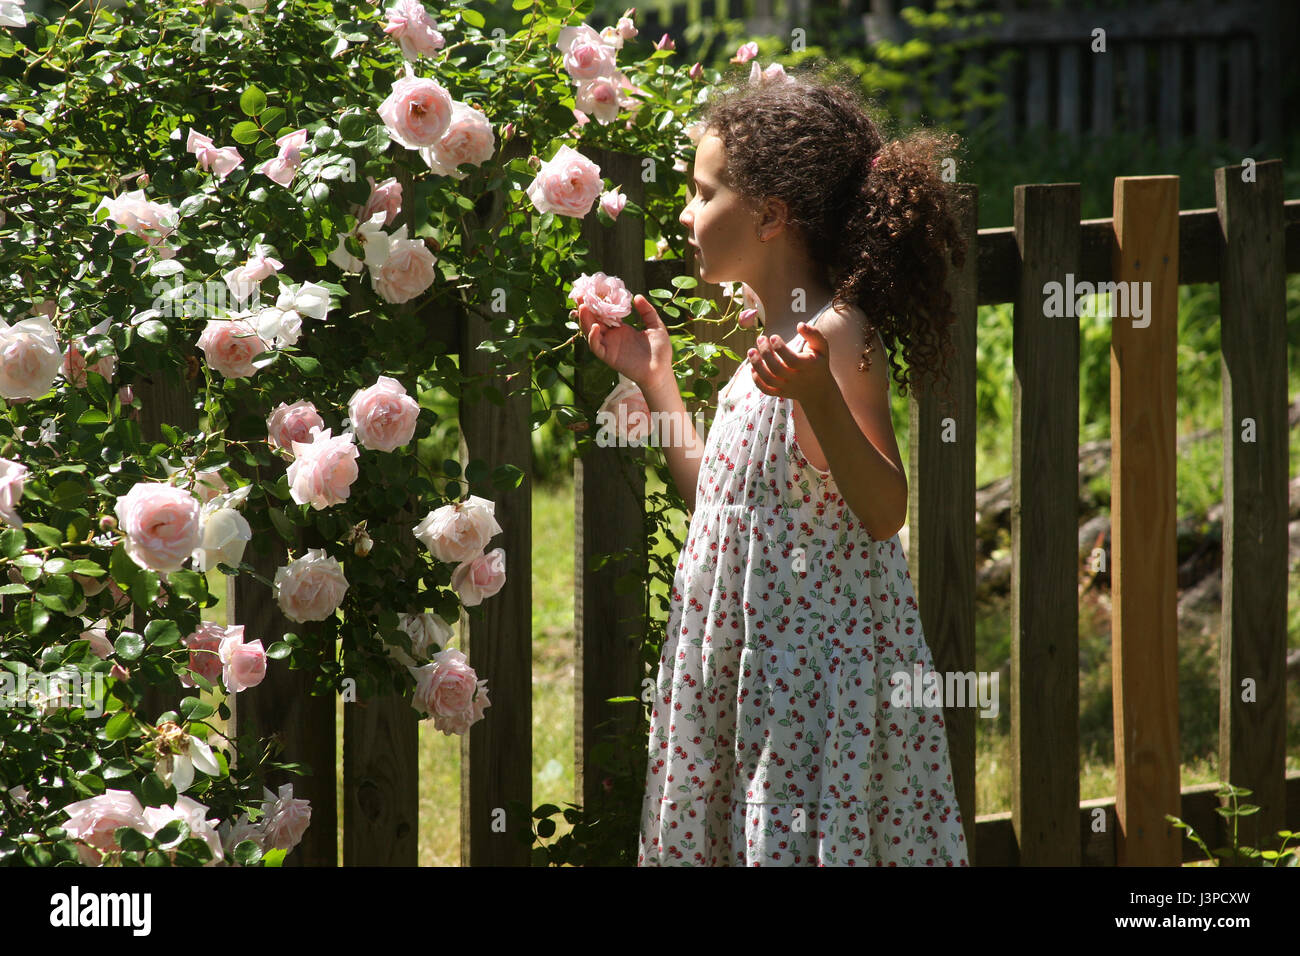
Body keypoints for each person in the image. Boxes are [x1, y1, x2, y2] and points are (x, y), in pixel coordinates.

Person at [573, 69, 969, 866]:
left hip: (809, 685)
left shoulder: (837, 339)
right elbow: (721, 505)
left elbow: (886, 508)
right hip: (742, 669)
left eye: (701, 193)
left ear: (769, 216)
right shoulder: (771, 350)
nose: (686, 214)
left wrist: (821, 398)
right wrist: (656, 382)